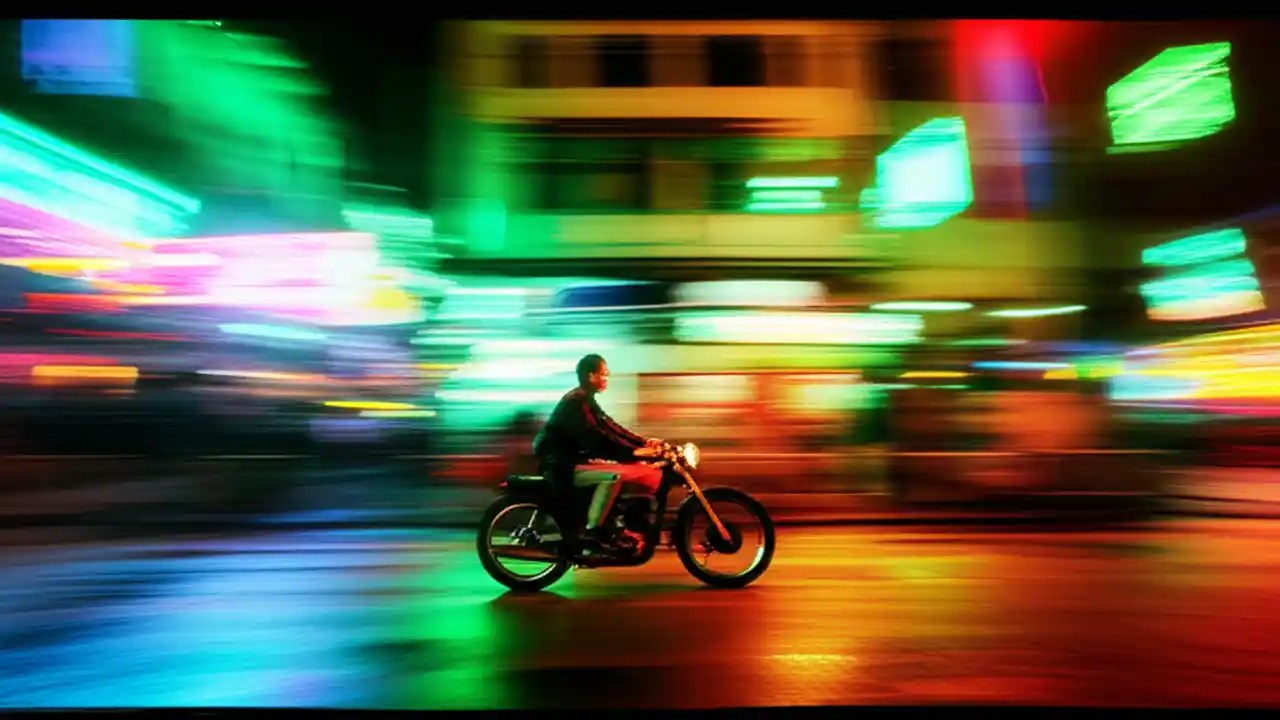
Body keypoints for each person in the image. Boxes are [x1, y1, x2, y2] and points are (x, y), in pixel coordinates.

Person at [533, 353, 663, 551]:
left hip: (573, 461)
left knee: (626, 469)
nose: (606, 379)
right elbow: (596, 438)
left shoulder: (586, 399)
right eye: (603, 374)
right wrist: (633, 453)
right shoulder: (576, 402)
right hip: (563, 466)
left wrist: (643, 443)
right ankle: (595, 529)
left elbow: (611, 427)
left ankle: (615, 523)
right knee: (614, 476)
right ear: (590, 375)